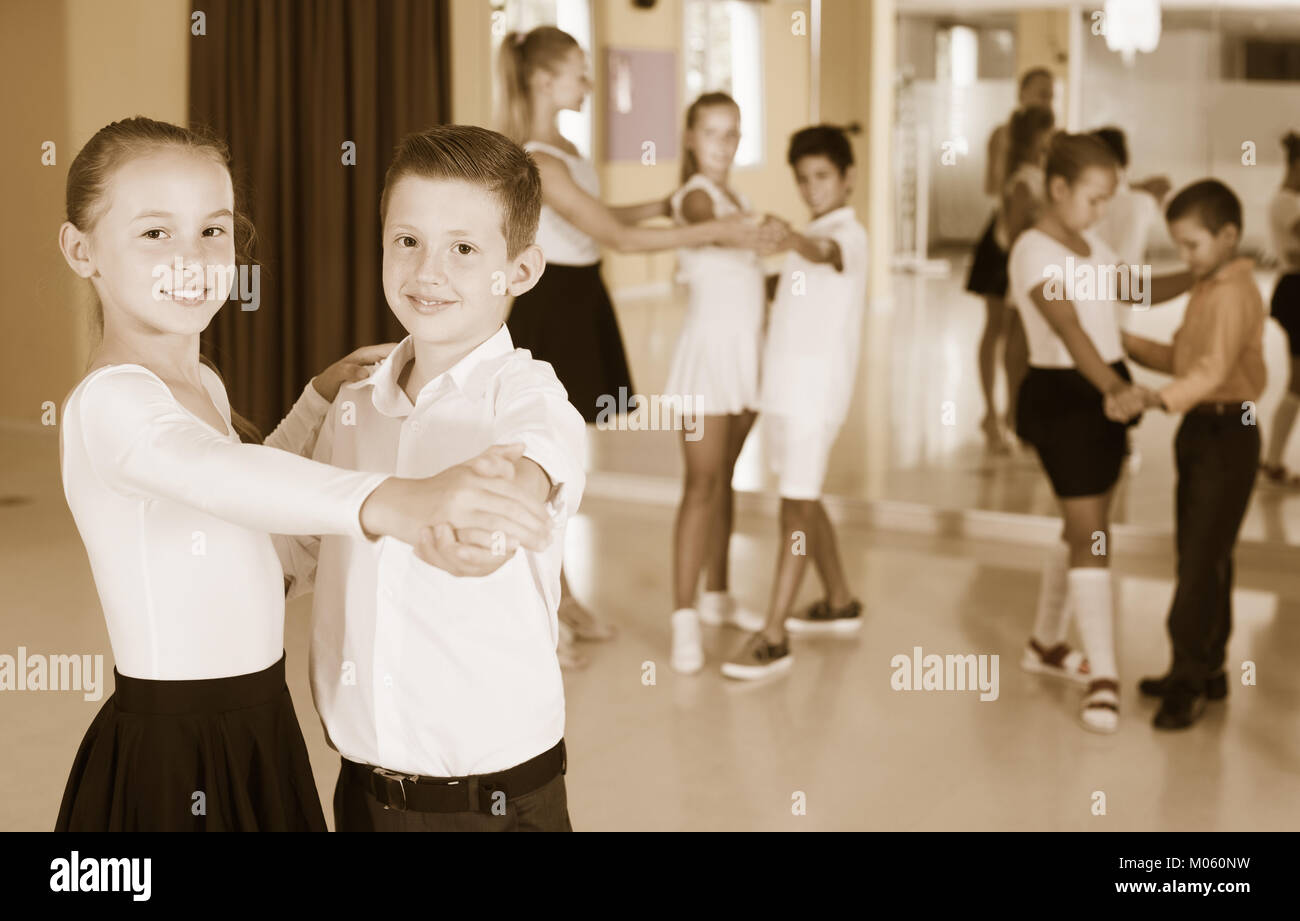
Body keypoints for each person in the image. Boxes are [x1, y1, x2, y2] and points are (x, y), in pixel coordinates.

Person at [52, 117, 552, 831]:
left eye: (213, 231)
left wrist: (314, 401)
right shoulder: (110, 402)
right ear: (82, 249)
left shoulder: (200, 382)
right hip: (180, 746)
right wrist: (397, 500)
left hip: (259, 727)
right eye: (155, 233)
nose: (190, 257)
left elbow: (245, 501)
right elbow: (216, 470)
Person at [277, 125, 586, 830]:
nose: (428, 272)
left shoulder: (528, 392)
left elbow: (537, 457)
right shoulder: (351, 405)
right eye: (407, 240)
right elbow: (296, 550)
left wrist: (497, 513)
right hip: (361, 789)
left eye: (465, 249)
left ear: (523, 270)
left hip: (494, 801)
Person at [494, 26, 777, 660]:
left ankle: (563, 598)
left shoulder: (564, 146)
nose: (588, 81)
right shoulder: (537, 157)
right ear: (544, 79)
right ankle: (546, 608)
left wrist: (669, 204)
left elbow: (608, 223)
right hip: (553, 306)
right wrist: (713, 230)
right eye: (579, 71)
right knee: (543, 461)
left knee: (567, 458)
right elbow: (615, 239)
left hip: (583, 296)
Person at [1008, 132, 1192, 733]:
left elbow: (1134, 288)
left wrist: (1198, 271)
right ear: (1058, 189)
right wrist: (1112, 390)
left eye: (1109, 198)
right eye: (1094, 198)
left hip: (1102, 387)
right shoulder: (1032, 252)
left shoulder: (1089, 246)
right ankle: (1104, 676)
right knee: (1092, 535)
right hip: (1066, 394)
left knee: (1087, 526)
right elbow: (1068, 331)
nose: (1103, 210)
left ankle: (1044, 643)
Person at [1112, 179, 1266, 729]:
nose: (1184, 257)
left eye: (1191, 246)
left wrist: (1157, 398)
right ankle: (1210, 668)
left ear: (1228, 237)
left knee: (1199, 561)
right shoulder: (1208, 286)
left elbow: (1212, 370)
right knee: (1205, 555)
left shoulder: (1232, 294)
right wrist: (1126, 344)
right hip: (1204, 429)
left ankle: (1186, 676)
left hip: (1229, 432)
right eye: (1177, 245)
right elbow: (1185, 355)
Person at [719, 125, 868, 680]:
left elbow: (824, 252)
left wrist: (791, 239)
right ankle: (839, 601)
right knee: (805, 496)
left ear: (848, 178)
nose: (812, 188)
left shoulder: (847, 236)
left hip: (813, 398)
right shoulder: (812, 237)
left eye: (822, 177)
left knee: (796, 508)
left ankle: (774, 634)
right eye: (803, 179)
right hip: (783, 393)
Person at [664, 92, 771, 674]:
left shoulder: (738, 197)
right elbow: (720, 231)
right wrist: (771, 235)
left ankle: (718, 595)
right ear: (689, 138)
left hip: (746, 358)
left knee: (725, 480)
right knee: (702, 485)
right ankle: (683, 618)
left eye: (733, 133)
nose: (724, 144)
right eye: (712, 133)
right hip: (707, 359)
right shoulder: (696, 198)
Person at [967, 68, 1054, 452]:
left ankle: (1014, 412)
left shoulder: (1048, 139)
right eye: (1040, 93)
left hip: (1025, 237)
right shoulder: (1004, 137)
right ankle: (991, 410)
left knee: (1020, 334)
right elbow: (992, 186)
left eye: (1051, 95)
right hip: (1004, 239)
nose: (1046, 101)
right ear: (1021, 93)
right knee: (996, 328)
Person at [1261, 131, 1300, 485]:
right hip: (1296, 292)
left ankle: (1273, 462)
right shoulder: (1287, 203)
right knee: (1297, 384)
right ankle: (1271, 462)